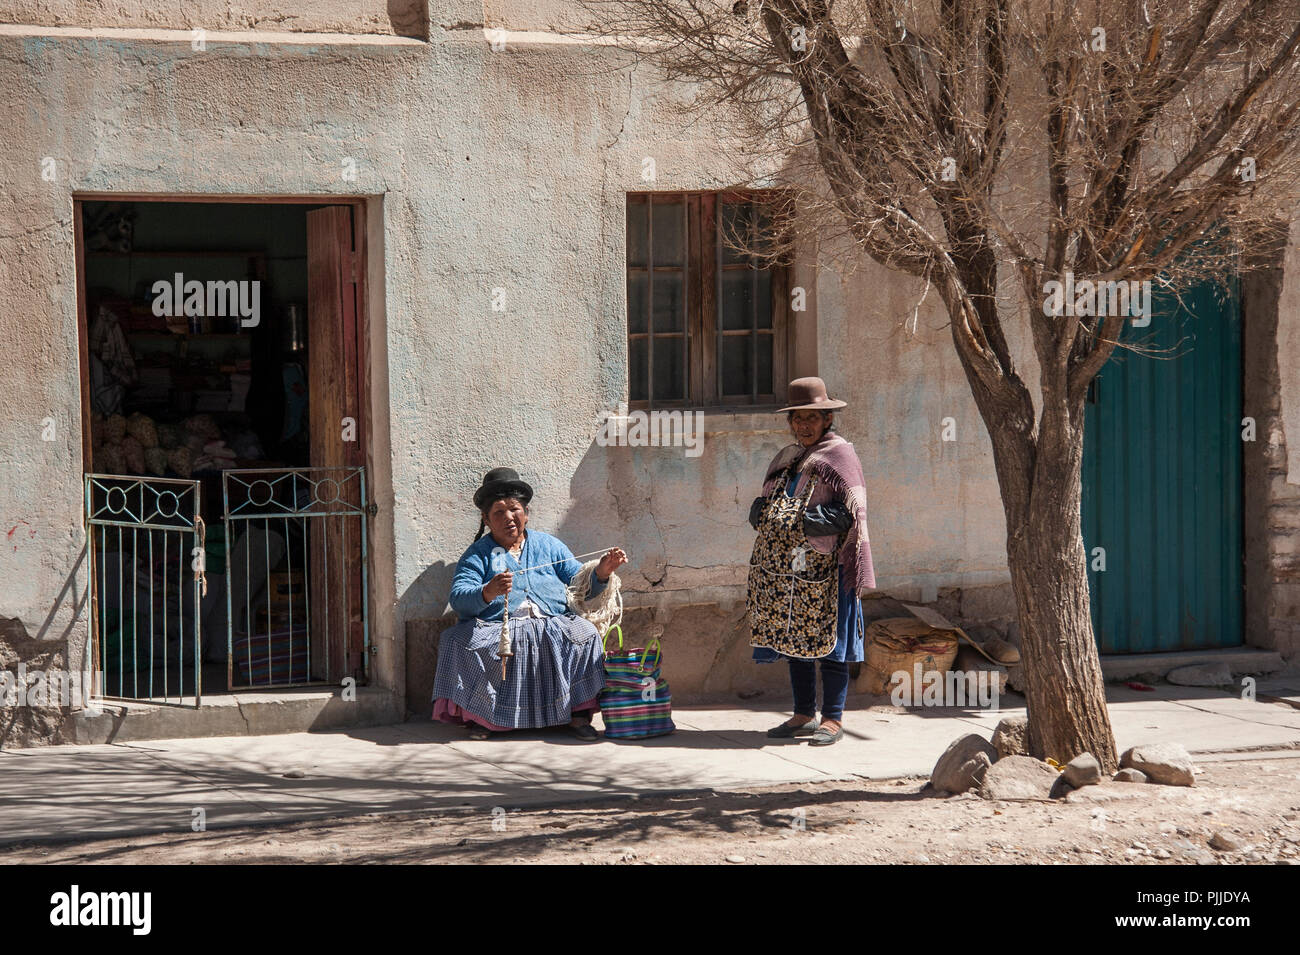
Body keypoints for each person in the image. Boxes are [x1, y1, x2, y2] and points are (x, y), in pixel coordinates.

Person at [432, 467, 627, 741]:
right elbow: (460, 597)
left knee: (585, 634)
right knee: (456, 640)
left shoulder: (549, 545)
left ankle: (577, 715)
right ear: (486, 520)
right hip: (498, 626)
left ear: (526, 513)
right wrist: (487, 592)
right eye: (498, 512)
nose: (509, 518)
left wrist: (602, 572)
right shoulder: (478, 555)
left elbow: (578, 582)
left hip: (552, 621)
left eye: (515, 509)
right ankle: (484, 718)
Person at [746, 377, 875, 746]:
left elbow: (851, 513)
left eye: (812, 418)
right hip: (792, 570)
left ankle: (832, 720)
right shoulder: (792, 458)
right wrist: (762, 512)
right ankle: (804, 714)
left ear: (827, 419)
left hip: (828, 569)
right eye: (797, 418)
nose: (803, 425)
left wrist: (799, 522)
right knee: (796, 640)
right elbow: (770, 499)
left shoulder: (840, 456)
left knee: (831, 643)